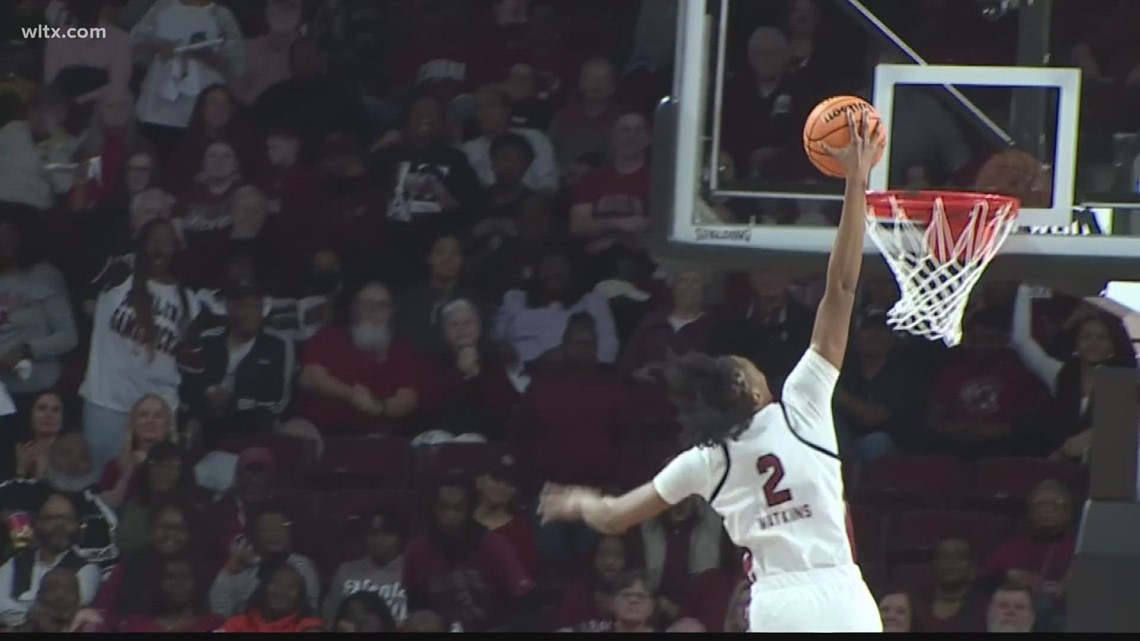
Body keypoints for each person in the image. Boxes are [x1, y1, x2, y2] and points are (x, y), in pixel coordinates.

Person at [538, 112, 884, 632]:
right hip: (839, 590)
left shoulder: (705, 459)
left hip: (778, 603)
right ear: (749, 388)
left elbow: (613, 517)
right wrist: (856, 182)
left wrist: (575, 501)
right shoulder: (801, 406)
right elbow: (841, 290)